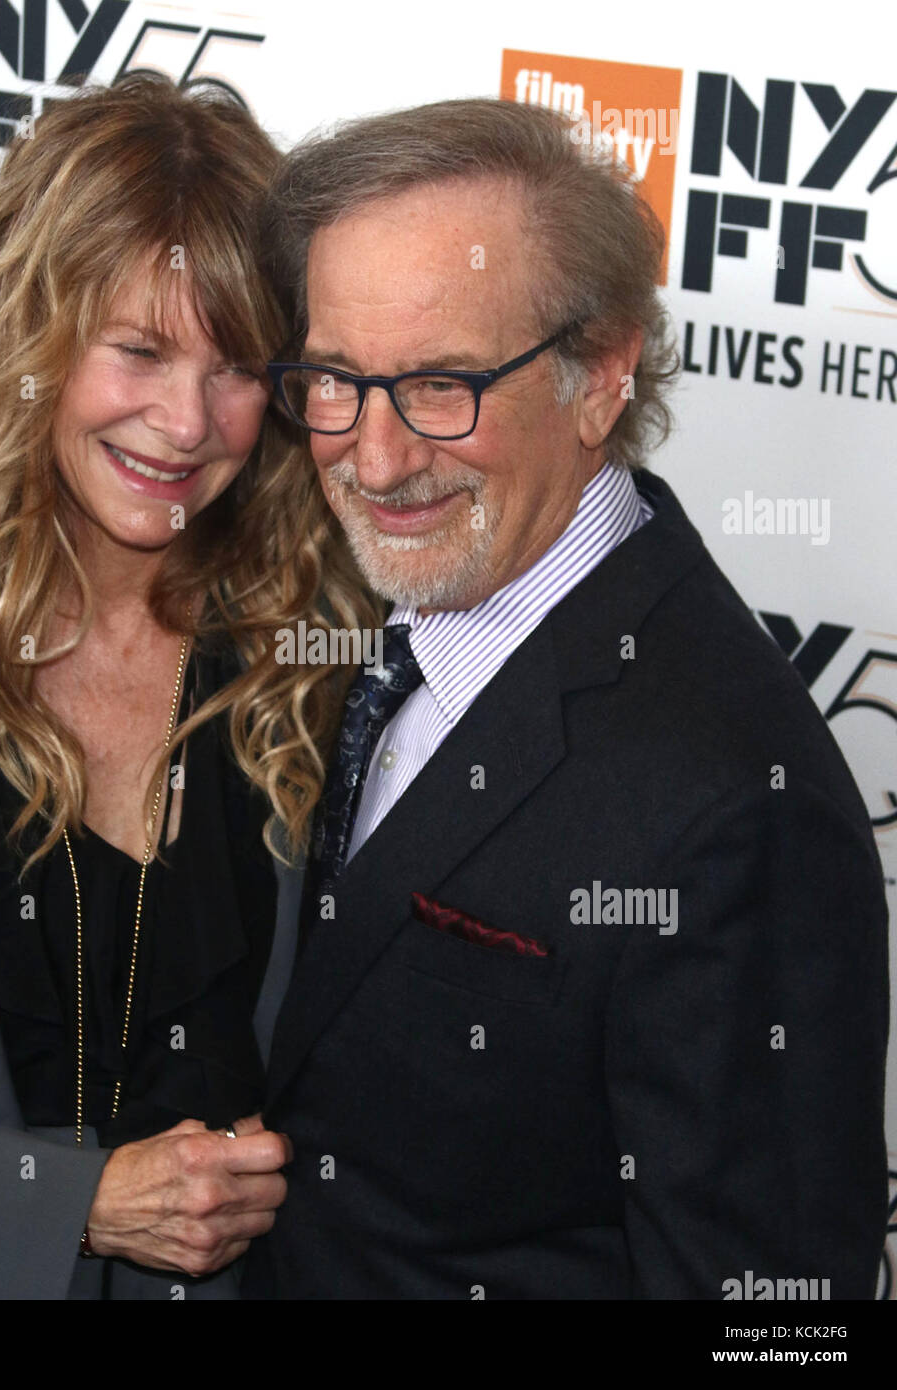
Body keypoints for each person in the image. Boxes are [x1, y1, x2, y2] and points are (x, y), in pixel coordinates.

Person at [245, 98, 890, 1299]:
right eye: (335, 380)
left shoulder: (732, 807)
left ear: (598, 376)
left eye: (443, 386)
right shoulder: (371, 616)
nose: (375, 460)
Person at [0, 75, 378, 1300]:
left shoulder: (321, 663)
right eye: (139, 350)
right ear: (26, 337)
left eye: (237, 365)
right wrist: (75, 1204)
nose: (186, 421)